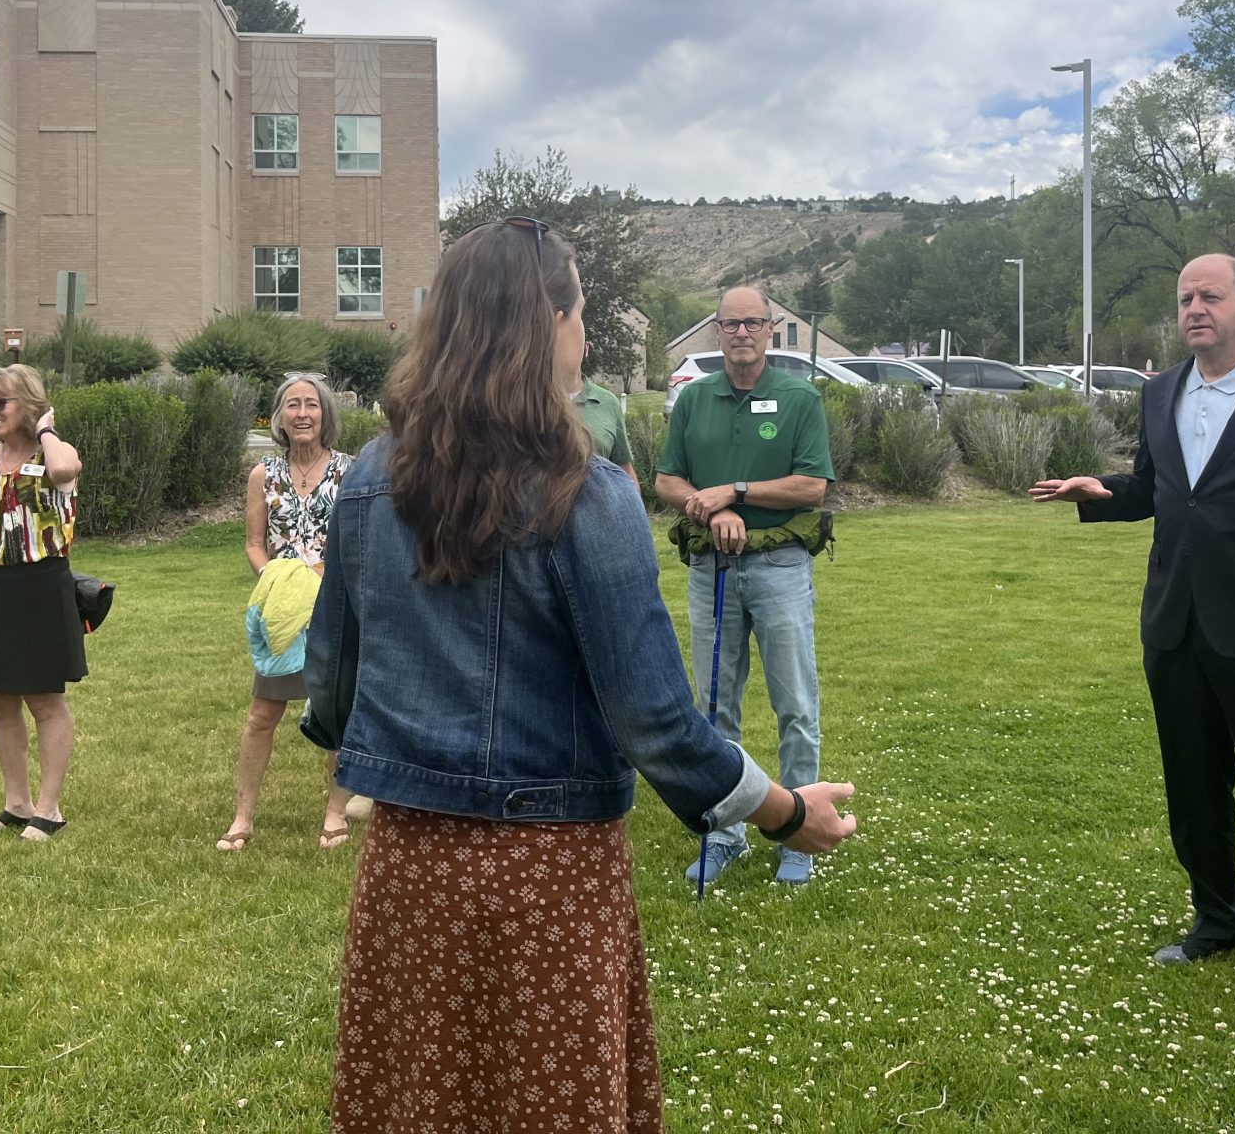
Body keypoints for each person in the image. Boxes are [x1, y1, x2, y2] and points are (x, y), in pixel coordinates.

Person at [304, 217, 858, 1132]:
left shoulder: (368, 478)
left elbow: (331, 684)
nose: (587, 338)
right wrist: (787, 813)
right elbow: (658, 722)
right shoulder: (584, 492)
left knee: (418, 1102)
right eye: (580, 315)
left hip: (409, 869)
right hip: (548, 876)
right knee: (547, 1105)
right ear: (546, 324)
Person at [1030, 254, 1235, 1008]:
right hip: (1177, 622)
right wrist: (1104, 492)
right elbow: (1159, 489)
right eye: (1185, 298)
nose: (1194, 308)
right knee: (1193, 790)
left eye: (1209, 296)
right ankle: (1215, 924)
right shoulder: (1162, 393)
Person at [654, 285, 834, 886]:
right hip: (714, 570)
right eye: (730, 325)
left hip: (781, 566)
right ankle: (725, 834)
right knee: (713, 707)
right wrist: (708, 510)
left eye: (752, 323)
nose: (741, 334)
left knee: (796, 704)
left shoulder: (798, 397)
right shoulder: (694, 399)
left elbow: (812, 487)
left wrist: (735, 493)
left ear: (770, 328)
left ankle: (801, 836)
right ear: (717, 330)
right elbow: (667, 480)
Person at [218, 372, 356, 852]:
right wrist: (277, 580)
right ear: (279, 417)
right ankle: (242, 816)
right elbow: (254, 545)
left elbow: (354, 542)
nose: (302, 413)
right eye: (292, 405)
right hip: (282, 612)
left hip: (333, 609)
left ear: (325, 415)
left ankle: (336, 813)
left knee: (337, 714)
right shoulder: (264, 474)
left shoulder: (349, 471)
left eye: (312, 405)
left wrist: (320, 579)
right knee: (262, 714)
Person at [0, 364, 85, 841]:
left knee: (45, 699)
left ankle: (50, 808)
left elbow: (61, 472)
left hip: (41, 585)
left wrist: (47, 427)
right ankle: (18, 801)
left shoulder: (56, 453)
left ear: (28, 405)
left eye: (1, 403)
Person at [570, 344, 637, 482]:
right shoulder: (528, 400)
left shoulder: (608, 402)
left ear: (586, 349)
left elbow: (624, 468)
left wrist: (633, 501)